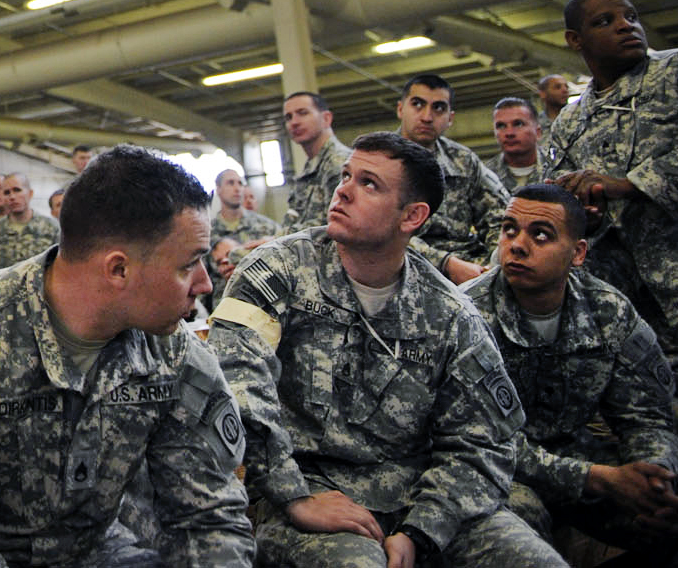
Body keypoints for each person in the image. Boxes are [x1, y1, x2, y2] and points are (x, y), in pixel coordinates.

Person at [0, 145, 253, 566]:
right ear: (118, 269)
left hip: (94, 553)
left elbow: (210, 515)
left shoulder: (171, 346)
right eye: (187, 265)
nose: (204, 284)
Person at [209, 132, 563, 567]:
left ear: (412, 216)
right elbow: (236, 390)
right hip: (309, 488)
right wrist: (294, 495)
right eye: (346, 176)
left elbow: (483, 442)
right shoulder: (275, 272)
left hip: (420, 495)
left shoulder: (449, 312)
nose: (343, 190)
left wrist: (421, 531)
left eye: (369, 184)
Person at [460, 183, 678, 552]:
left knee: (664, 509)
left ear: (577, 253)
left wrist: (652, 476)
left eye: (540, 235)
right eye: (509, 229)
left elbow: (646, 415)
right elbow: (481, 440)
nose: (516, 245)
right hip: (499, 470)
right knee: (512, 517)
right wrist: (598, 479)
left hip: (583, 456)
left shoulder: (608, 310)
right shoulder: (464, 314)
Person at [546, 0, 678, 368]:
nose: (626, 26)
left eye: (631, 17)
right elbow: (551, 193)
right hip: (624, 313)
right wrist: (581, 210)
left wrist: (630, 185)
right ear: (575, 40)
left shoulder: (671, 75)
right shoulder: (570, 121)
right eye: (605, 21)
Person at [394, 73, 510, 283]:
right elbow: (382, 232)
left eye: (438, 108)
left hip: (470, 265)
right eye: (417, 104)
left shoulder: (464, 161)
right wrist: (446, 263)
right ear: (401, 109)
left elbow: (499, 218)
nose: (427, 116)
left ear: (450, 118)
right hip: (402, 268)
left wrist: (496, 262)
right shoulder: (378, 160)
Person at [281, 91, 352, 232]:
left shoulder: (340, 163)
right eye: (289, 117)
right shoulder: (311, 166)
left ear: (326, 118)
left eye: (303, 113)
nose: (294, 122)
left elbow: (335, 226)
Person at [0, 174, 59, 270]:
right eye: (6, 193)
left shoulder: (51, 228)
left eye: (17, 190)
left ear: (30, 193)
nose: (12, 196)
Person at [489, 96, 548, 192]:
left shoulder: (558, 170)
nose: (509, 133)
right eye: (501, 126)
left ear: (538, 132)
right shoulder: (484, 177)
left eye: (518, 124)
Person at [211, 166, 279, 248]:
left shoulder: (267, 226)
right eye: (230, 183)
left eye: (240, 184)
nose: (237, 188)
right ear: (218, 189)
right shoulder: (209, 233)